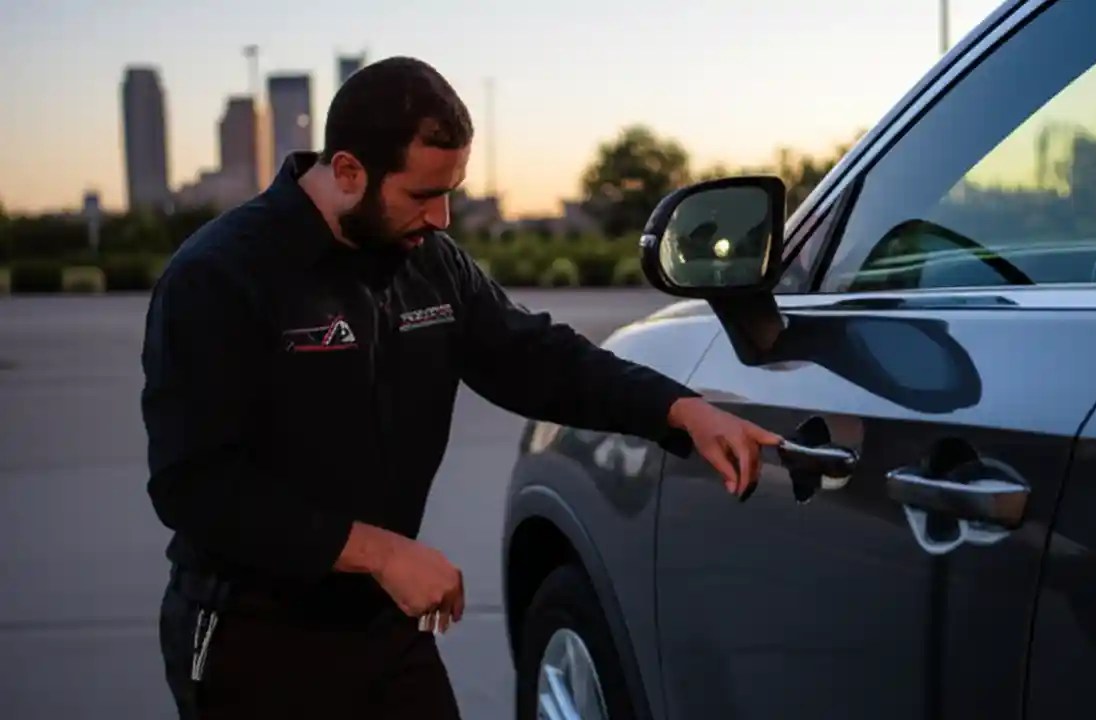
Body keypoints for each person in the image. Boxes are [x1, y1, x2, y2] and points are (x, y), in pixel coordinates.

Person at [141, 55, 781, 719]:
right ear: (350, 172)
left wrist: (679, 410)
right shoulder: (219, 276)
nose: (443, 217)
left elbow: (536, 358)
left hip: (388, 625)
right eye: (422, 195)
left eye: (452, 191)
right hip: (255, 638)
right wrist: (378, 552)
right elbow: (196, 486)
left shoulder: (430, 263)